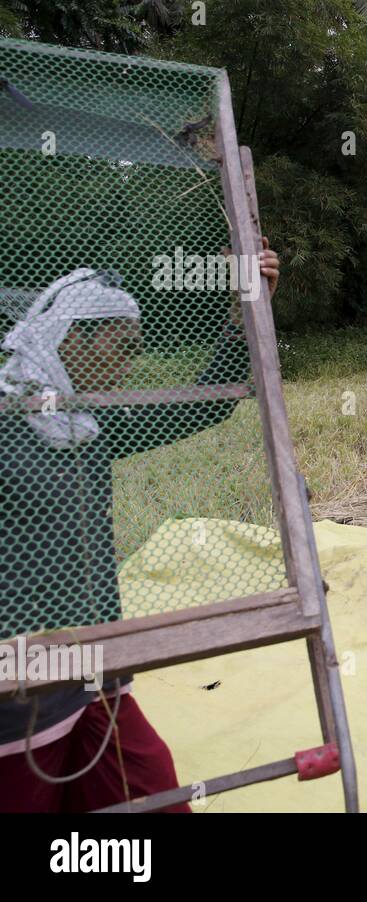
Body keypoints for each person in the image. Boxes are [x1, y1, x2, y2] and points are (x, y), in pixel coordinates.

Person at [0, 240, 280, 812]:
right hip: (15, 695)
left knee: (153, 796)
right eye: (122, 347)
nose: (130, 365)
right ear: (69, 337)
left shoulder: (86, 422)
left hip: (95, 669)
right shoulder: (8, 421)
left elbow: (201, 403)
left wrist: (244, 310)